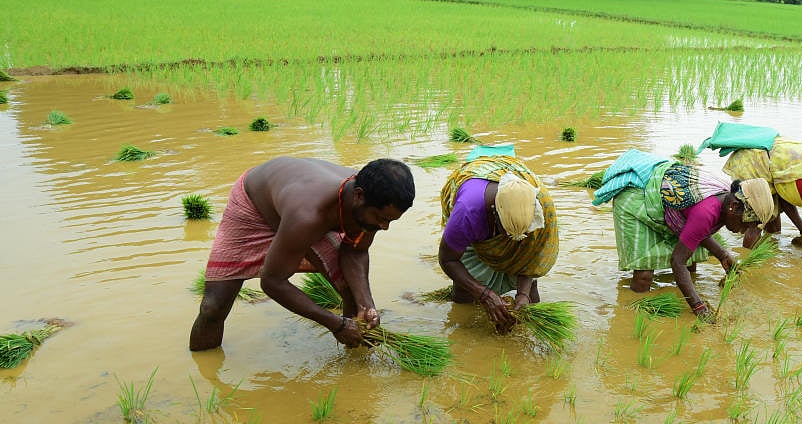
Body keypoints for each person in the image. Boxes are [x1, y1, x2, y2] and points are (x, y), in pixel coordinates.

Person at [190, 157, 415, 351]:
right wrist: (335, 324)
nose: (385, 227)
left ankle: (353, 367)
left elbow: (355, 251)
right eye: (381, 219)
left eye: (390, 220)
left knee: (351, 291)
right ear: (358, 196)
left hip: (306, 210)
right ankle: (202, 373)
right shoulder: (309, 215)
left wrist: (366, 304)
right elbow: (272, 282)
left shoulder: (368, 204)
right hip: (254, 206)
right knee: (213, 306)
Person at [593, 149, 770, 319]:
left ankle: (678, 294)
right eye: (746, 225)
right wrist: (699, 307)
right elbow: (677, 261)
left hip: (668, 204)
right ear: (735, 207)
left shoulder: (728, 197)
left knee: (692, 262)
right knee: (644, 276)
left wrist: (722, 255)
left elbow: (697, 231)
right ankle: (632, 313)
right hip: (636, 201)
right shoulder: (707, 211)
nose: (743, 231)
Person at [438, 153, 558, 334]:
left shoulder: (540, 213)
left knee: (529, 294)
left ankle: (530, 333)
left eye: (521, 235)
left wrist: (523, 295)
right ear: (494, 212)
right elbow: (448, 260)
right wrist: (484, 295)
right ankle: (464, 330)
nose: (511, 243)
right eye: (506, 233)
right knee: (465, 290)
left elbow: (532, 259)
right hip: (475, 224)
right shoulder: (467, 212)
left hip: (514, 221)